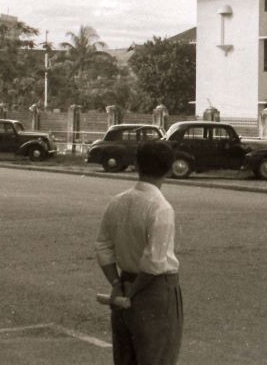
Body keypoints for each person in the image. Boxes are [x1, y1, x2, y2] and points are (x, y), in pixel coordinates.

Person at [95, 141, 183, 365]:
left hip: (124, 282)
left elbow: (103, 247)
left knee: (125, 357)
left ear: (136, 164)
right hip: (154, 289)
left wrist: (116, 283)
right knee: (157, 356)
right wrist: (134, 292)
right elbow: (154, 262)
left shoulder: (118, 202)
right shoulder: (160, 207)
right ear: (169, 168)